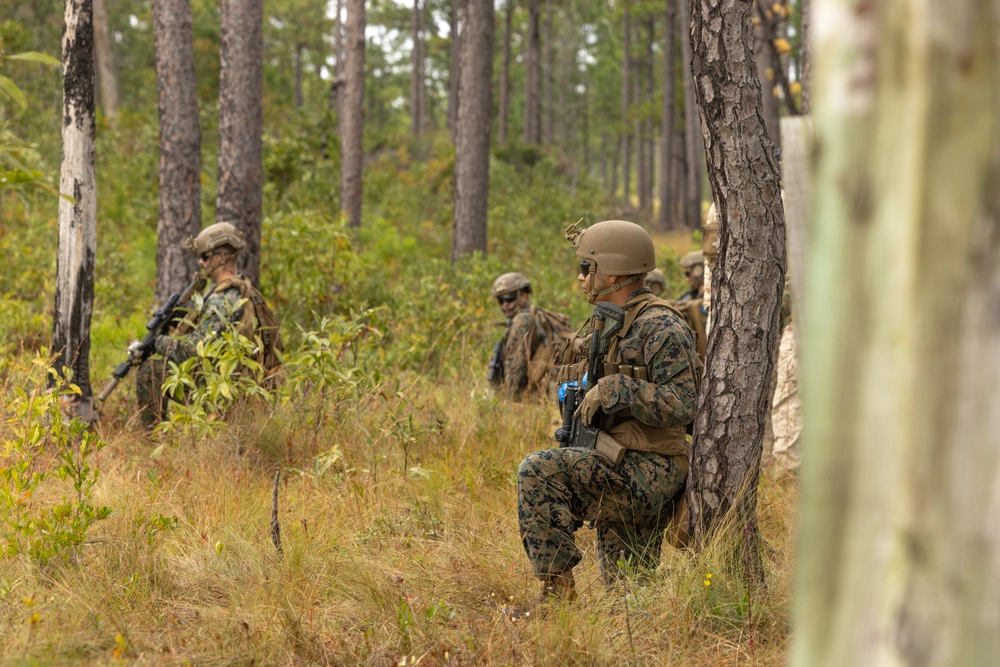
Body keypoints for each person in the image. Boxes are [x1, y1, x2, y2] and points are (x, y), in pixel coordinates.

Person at [517, 220, 700, 600]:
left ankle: (557, 596)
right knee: (628, 596)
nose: (581, 277)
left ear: (612, 272)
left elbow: (687, 403)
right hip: (616, 460)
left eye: (587, 267)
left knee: (538, 471)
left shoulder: (661, 326)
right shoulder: (605, 324)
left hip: (652, 469)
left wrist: (618, 389)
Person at [135, 222, 281, 428]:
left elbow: (197, 351)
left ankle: (152, 438)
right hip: (244, 384)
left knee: (149, 372)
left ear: (222, 257)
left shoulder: (222, 299)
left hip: (226, 389)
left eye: (205, 256)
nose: (201, 262)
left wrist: (157, 343)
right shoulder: (245, 290)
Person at [488, 272, 571, 399]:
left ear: (524, 295)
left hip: (536, 398)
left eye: (509, 298)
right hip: (550, 393)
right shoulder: (536, 316)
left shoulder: (521, 321)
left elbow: (514, 369)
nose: (505, 304)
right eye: (501, 300)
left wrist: (504, 401)